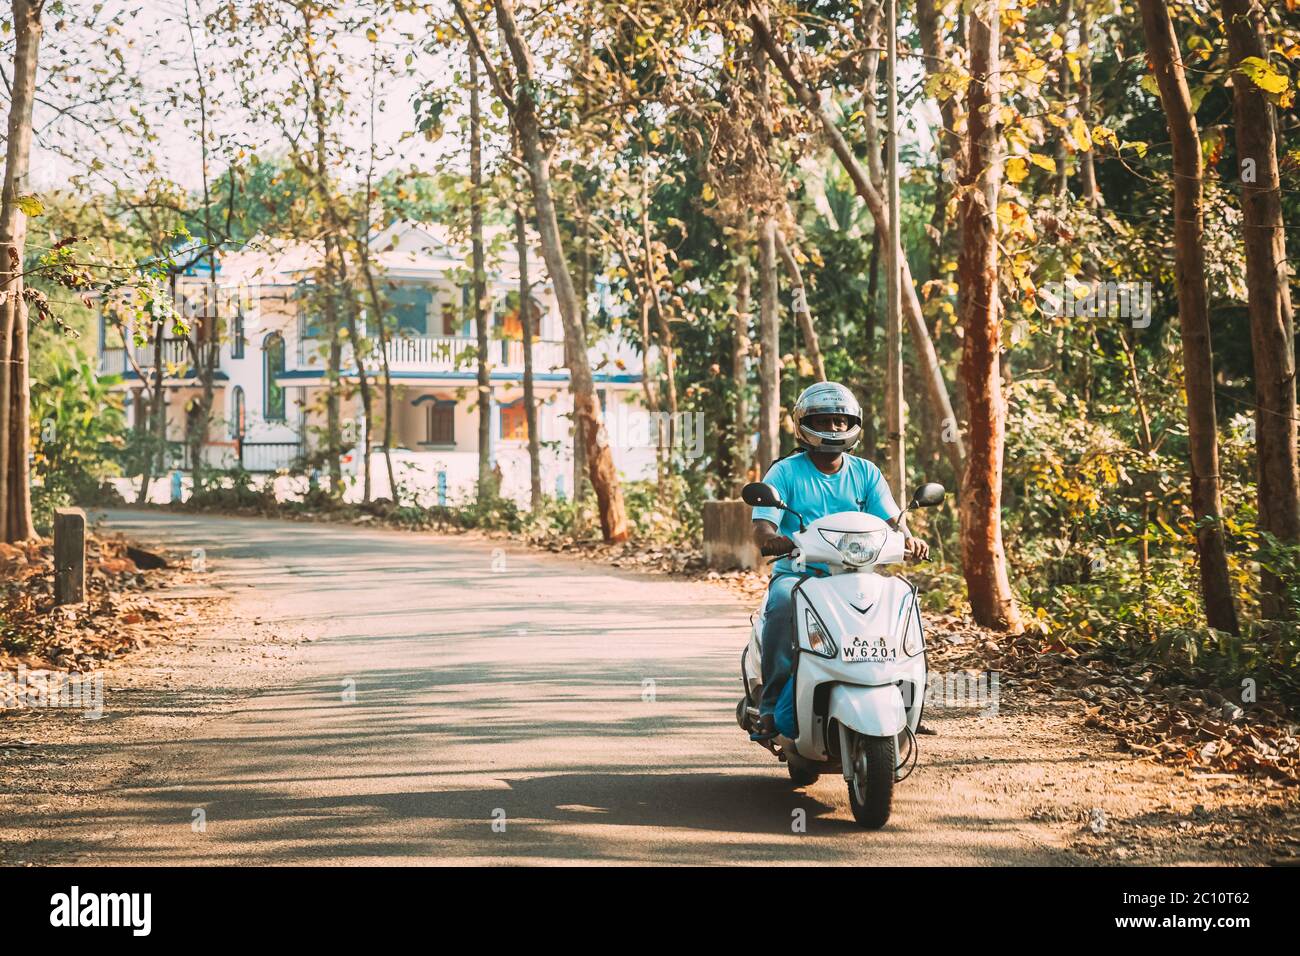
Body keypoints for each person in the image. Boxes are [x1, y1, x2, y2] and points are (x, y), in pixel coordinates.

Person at [749, 381, 929, 741]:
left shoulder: (866, 473)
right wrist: (777, 541)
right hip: (799, 576)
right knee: (783, 604)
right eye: (825, 420)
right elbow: (763, 530)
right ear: (804, 423)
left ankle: (909, 700)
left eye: (841, 421)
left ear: (852, 425)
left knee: (904, 603)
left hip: (859, 575)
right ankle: (770, 707)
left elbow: (894, 521)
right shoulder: (784, 472)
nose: (834, 428)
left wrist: (909, 538)